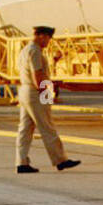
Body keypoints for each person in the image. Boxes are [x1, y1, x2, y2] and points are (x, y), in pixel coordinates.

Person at [15, 26, 80, 173]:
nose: (48, 42)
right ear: (42, 36)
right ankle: (60, 160)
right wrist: (46, 95)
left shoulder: (25, 50)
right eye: (48, 39)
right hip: (35, 92)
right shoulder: (35, 51)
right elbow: (37, 74)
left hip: (25, 91)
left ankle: (21, 163)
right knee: (47, 126)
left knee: (25, 129)